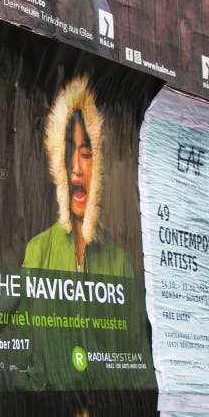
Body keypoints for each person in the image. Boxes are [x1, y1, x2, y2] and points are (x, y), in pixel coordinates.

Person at [23, 75, 133, 276]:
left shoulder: (120, 263)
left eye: (86, 153)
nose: (75, 167)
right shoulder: (38, 251)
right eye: (68, 151)